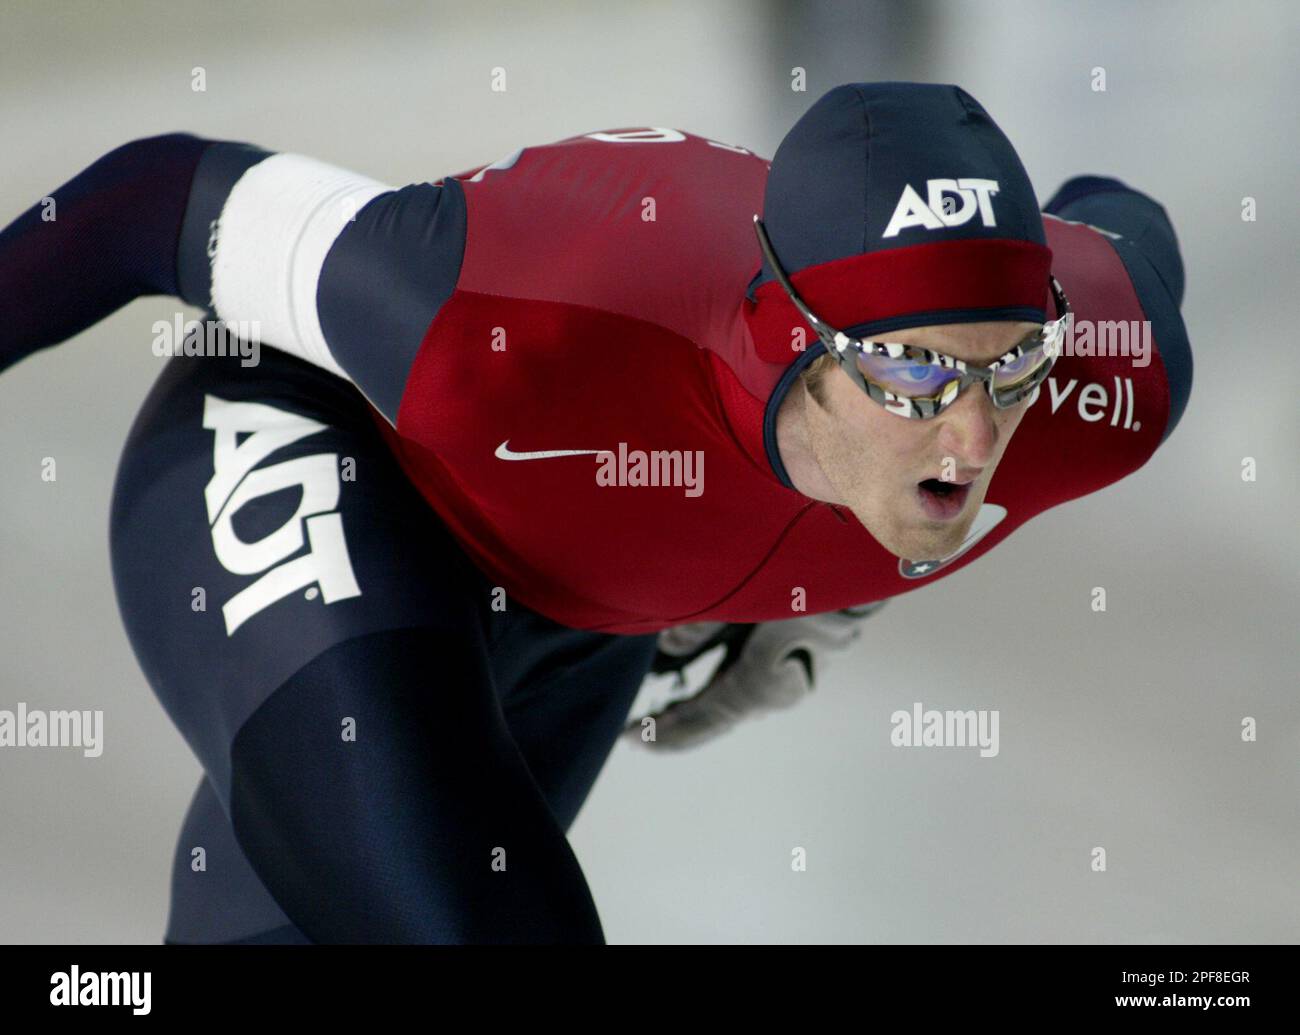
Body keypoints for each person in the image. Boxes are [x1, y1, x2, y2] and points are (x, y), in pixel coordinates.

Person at [0, 82, 1191, 943]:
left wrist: (825, 569)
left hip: (582, 584)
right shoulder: (515, 307)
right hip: (330, 443)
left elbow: (1119, 216)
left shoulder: (1107, 376)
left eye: (1010, 363)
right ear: (791, 342)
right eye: (917, 370)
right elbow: (154, 199)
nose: (977, 434)